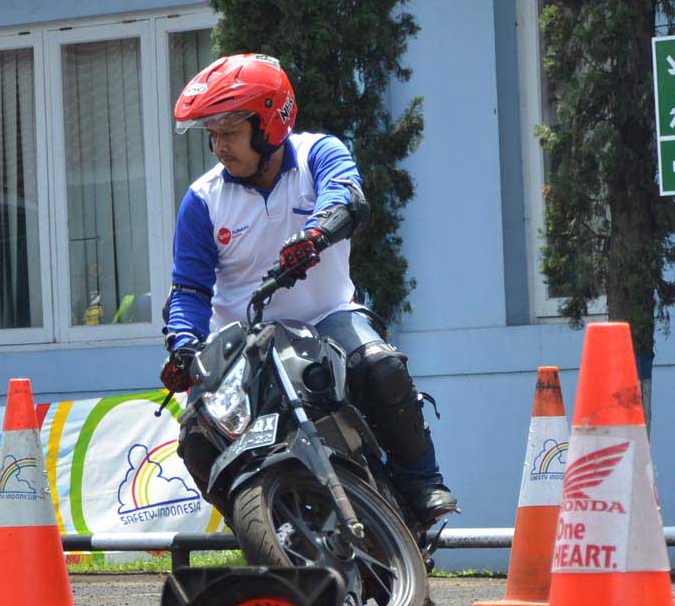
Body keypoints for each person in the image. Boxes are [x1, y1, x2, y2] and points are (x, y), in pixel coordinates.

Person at [159, 53, 459, 528]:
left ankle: (423, 484)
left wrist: (316, 234)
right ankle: (261, 529)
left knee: (380, 366)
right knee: (197, 438)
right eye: (211, 135)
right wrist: (184, 346)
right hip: (241, 343)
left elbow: (345, 194)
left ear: (268, 125)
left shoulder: (319, 152)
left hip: (327, 317)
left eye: (229, 132)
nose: (218, 147)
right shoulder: (201, 199)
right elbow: (190, 290)